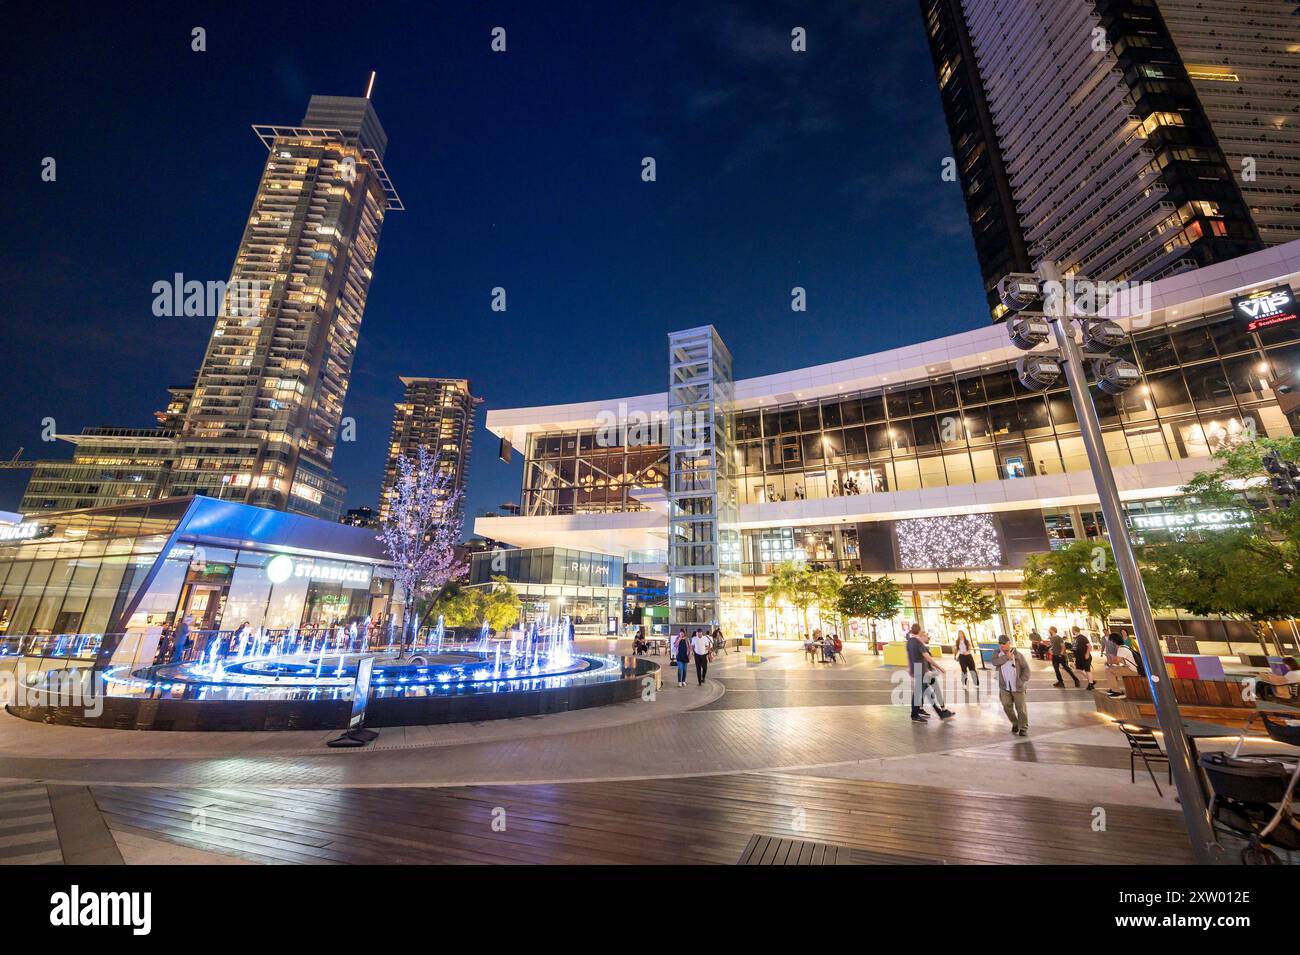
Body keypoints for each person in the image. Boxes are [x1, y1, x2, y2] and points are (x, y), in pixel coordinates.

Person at [906, 624, 954, 722]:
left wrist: (910, 669)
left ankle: (940, 713)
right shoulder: (918, 643)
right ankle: (915, 715)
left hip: (917, 669)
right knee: (919, 694)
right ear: (919, 632)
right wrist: (940, 668)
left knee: (926, 693)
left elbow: (908, 657)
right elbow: (928, 658)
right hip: (921, 670)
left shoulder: (909, 642)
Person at [992, 634, 1030, 736]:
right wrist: (1006, 657)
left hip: (1017, 686)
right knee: (1006, 705)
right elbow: (994, 662)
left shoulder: (1017, 655)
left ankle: (1023, 728)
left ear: (1009, 643)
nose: (1002, 646)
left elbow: (1026, 669)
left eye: (1004, 644)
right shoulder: (997, 653)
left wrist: (1022, 681)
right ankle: (1015, 723)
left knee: (1021, 708)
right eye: (1000, 644)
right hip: (1004, 686)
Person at [1103, 631, 1140, 698]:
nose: (1110, 642)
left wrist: (1109, 660)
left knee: (1109, 671)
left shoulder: (1122, 649)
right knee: (1112, 669)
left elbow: (1117, 662)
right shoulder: (1124, 647)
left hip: (1133, 670)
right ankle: (1113, 689)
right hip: (1132, 668)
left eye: (1110, 640)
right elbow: (1119, 660)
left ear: (1114, 641)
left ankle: (1117, 692)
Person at [1072, 626, 1095, 691]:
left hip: (1085, 657)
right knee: (1078, 669)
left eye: (1072, 630)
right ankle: (1091, 680)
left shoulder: (1082, 637)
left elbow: (1089, 646)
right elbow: (1074, 648)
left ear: (1074, 630)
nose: (1072, 631)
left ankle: (1091, 684)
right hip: (1079, 657)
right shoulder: (1075, 638)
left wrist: (1087, 654)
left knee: (1087, 670)